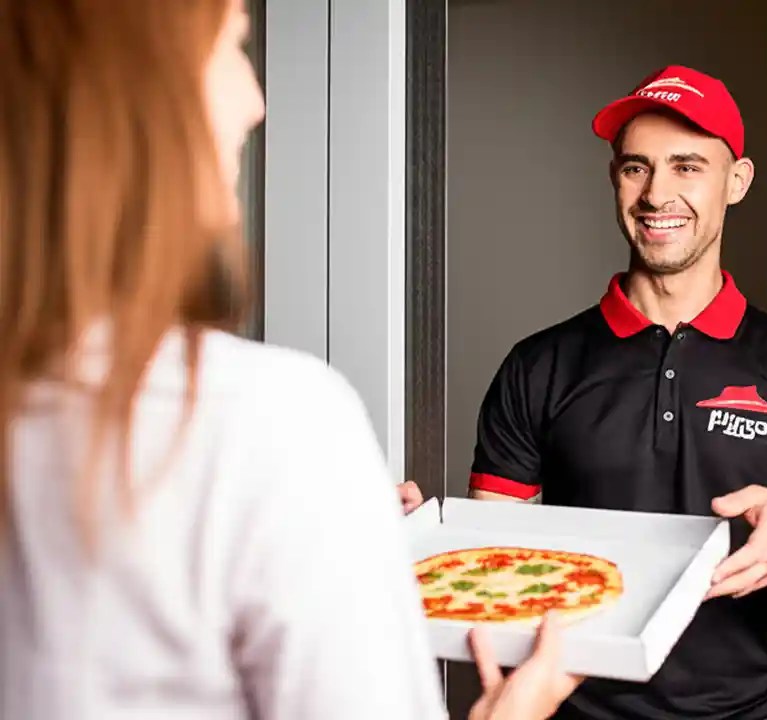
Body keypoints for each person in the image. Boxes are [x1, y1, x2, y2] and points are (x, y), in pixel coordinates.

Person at [0, 2, 577, 718]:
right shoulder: (273, 421)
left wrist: (329, 520)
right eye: (232, 47)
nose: (255, 101)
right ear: (141, 92)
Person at [458, 65, 767, 719]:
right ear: (614, 178)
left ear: (736, 181)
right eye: (636, 168)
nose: (656, 195)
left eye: (687, 167)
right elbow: (491, 573)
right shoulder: (537, 366)